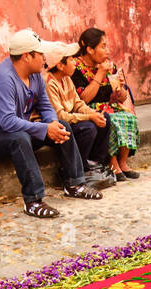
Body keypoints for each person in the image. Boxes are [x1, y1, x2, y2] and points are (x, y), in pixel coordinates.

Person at [0, 28, 102, 219]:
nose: (44, 59)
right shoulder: (3, 78)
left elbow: (45, 106)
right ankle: (33, 200)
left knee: (62, 125)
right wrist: (45, 128)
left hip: (15, 128)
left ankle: (74, 184)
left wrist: (53, 125)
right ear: (26, 57)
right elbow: (7, 122)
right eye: (40, 54)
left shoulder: (35, 74)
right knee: (20, 138)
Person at [45, 41, 118, 189]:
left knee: (104, 119)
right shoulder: (50, 83)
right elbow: (61, 116)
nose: (75, 63)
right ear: (60, 65)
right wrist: (89, 117)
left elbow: (78, 104)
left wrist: (94, 114)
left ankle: (96, 163)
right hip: (60, 125)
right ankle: (78, 167)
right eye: (71, 60)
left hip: (72, 119)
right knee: (88, 127)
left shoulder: (66, 78)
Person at [71, 27, 140, 180]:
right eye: (103, 46)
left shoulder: (109, 66)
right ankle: (112, 163)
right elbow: (84, 99)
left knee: (129, 118)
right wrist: (100, 74)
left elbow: (121, 98)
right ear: (89, 49)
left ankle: (123, 162)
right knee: (111, 120)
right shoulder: (75, 67)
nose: (107, 50)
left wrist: (120, 88)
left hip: (110, 106)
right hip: (88, 109)